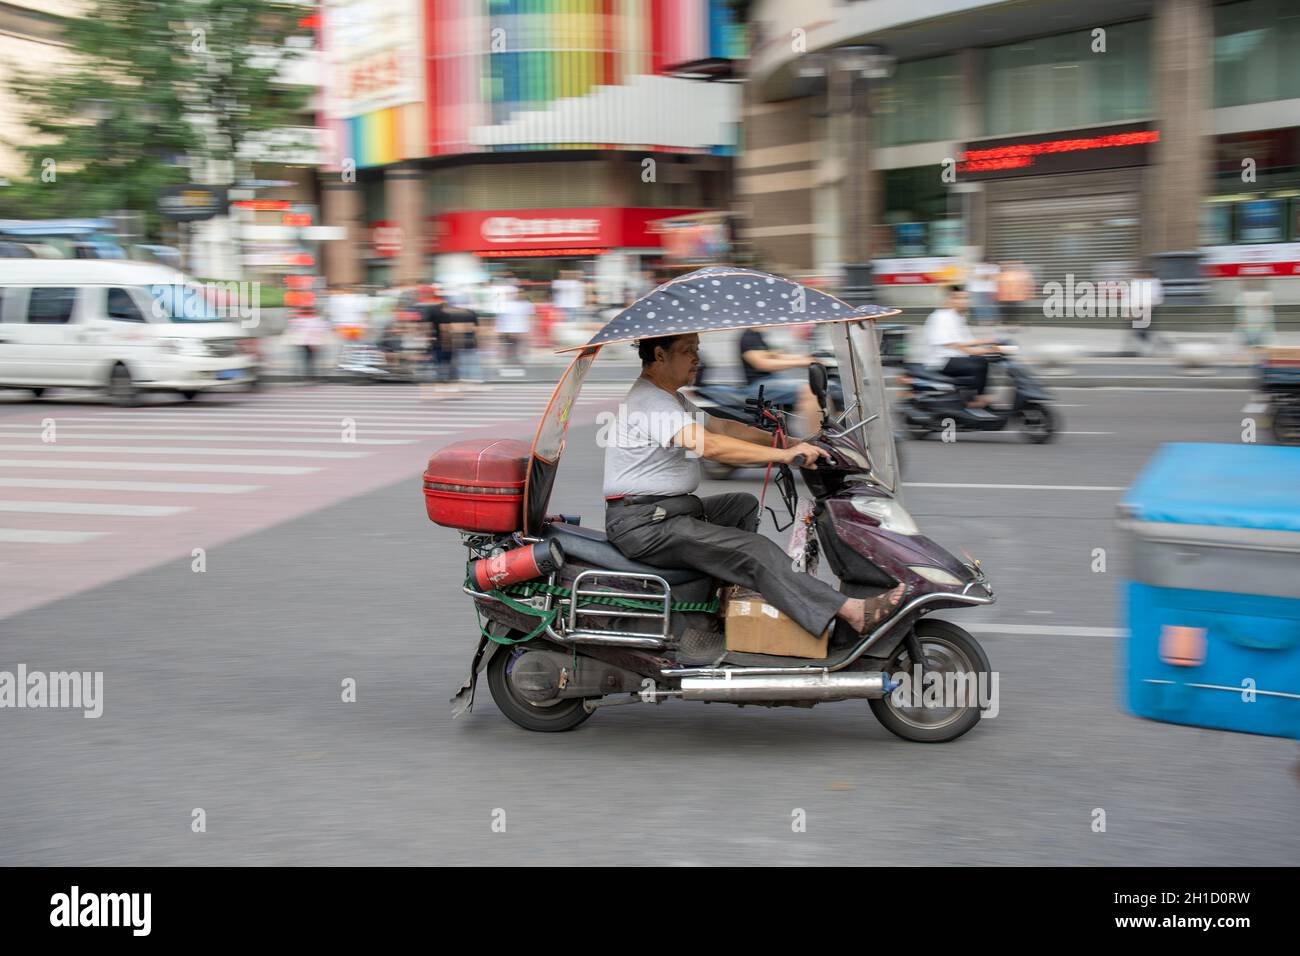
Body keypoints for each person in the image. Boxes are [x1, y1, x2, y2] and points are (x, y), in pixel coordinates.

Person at [603, 332, 905, 640]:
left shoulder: (670, 398)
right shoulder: (650, 402)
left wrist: (790, 441)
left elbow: (722, 426)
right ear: (660, 355)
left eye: (697, 349)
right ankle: (853, 612)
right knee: (754, 550)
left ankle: (720, 605)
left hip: (667, 511)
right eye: (687, 350)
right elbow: (711, 447)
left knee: (740, 505)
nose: (696, 358)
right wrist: (784, 456)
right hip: (646, 524)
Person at [920, 285, 1000, 408]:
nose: (965, 301)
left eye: (966, 298)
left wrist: (988, 344)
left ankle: (972, 396)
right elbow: (952, 344)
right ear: (950, 299)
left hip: (954, 357)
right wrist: (981, 347)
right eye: (960, 298)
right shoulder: (940, 317)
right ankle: (974, 401)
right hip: (942, 361)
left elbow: (967, 341)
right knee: (979, 364)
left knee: (984, 361)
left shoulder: (957, 317)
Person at [737, 325, 821, 435]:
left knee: (820, 388)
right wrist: (799, 362)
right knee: (810, 391)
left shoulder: (757, 335)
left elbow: (773, 356)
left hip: (770, 379)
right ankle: (816, 438)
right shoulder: (748, 336)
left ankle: (793, 434)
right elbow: (761, 363)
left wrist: (801, 357)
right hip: (759, 385)